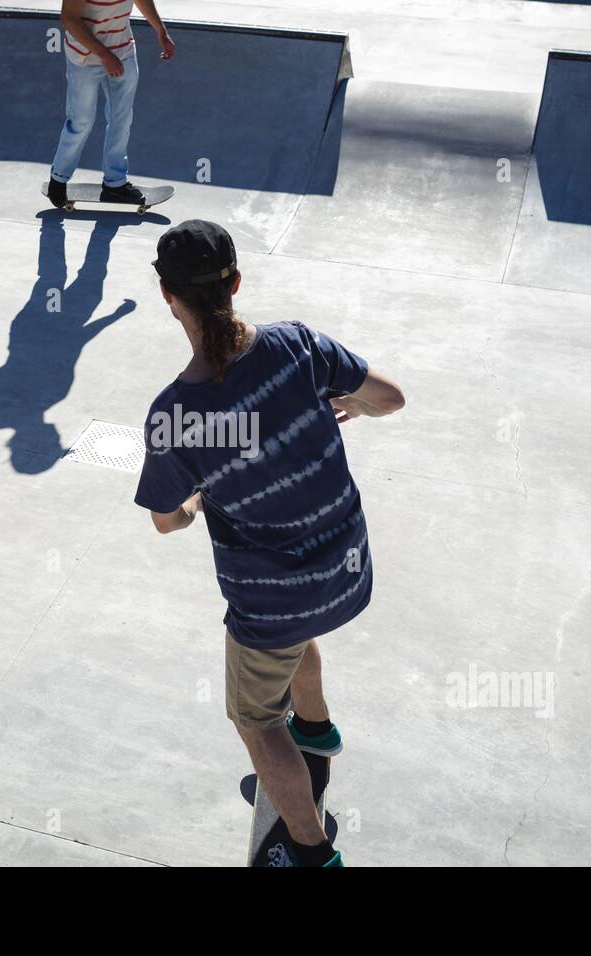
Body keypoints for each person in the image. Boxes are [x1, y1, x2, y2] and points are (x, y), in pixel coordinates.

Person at [134, 221, 406, 867]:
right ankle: (315, 730)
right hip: (347, 570)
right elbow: (390, 398)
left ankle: (311, 854)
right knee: (291, 632)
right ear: (234, 282)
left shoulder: (176, 414)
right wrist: (349, 404)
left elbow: (166, 520)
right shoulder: (298, 347)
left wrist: (197, 499)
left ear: (167, 296)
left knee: (256, 720)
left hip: (274, 598)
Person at [45, 0, 174, 209]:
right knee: (81, 122)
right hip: (85, 58)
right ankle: (58, 179)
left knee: (121, 119)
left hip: (123, 51)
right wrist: (104, 54)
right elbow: (68, 18)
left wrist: (161, 29)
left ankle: (115, 183)